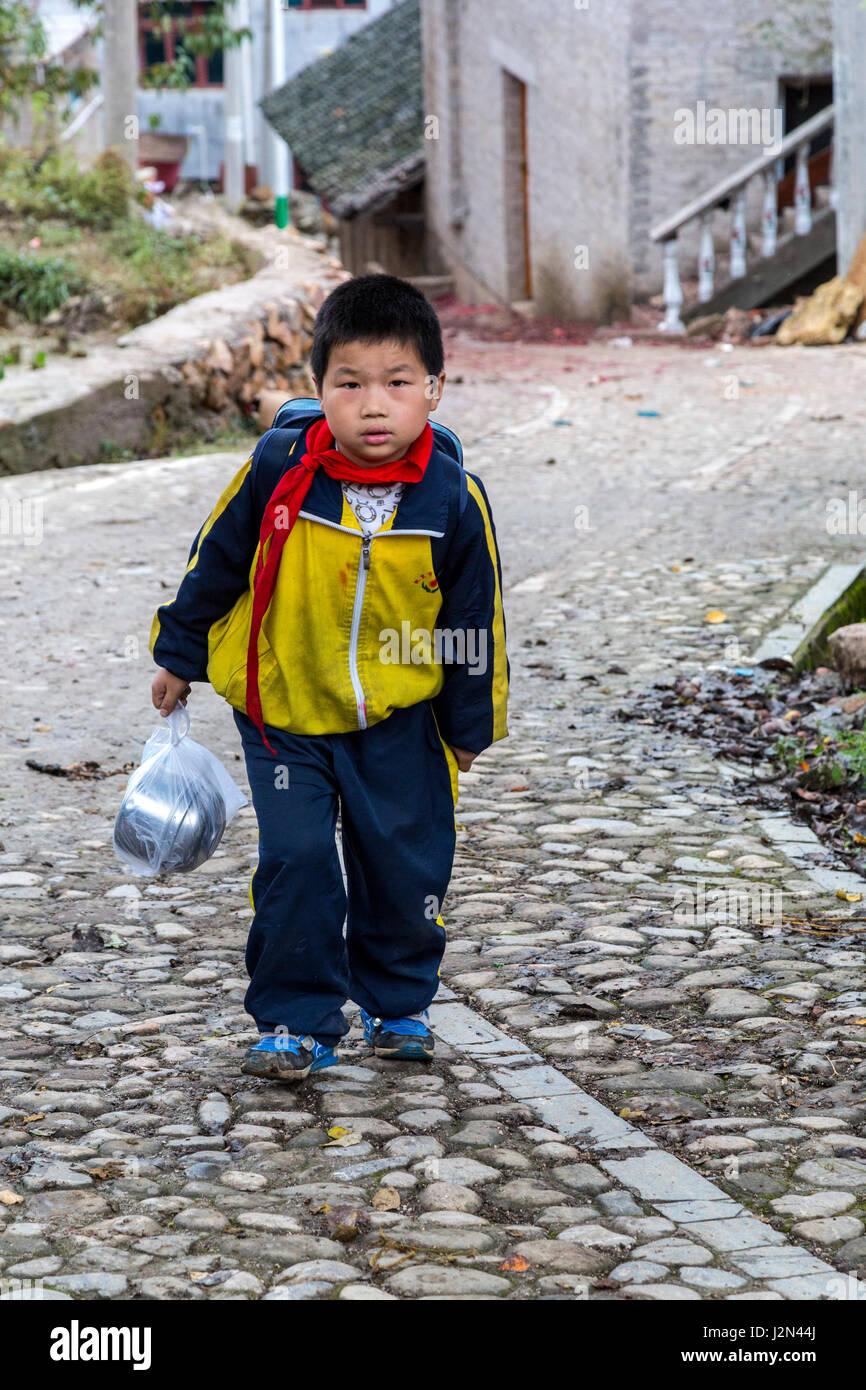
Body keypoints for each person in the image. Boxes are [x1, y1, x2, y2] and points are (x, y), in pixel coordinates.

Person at [148, 273, 509, 1081]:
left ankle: (398, 1002)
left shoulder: (453, 498)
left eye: (397, 383)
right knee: (299, 858)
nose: (373, 406)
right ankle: (295, 1019)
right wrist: (179, 654)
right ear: (318, 389)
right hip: (284, 708)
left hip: (399, 719)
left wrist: (467, 727)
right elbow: (217, 560)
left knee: (404, 862)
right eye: (350, 384)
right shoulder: (279, 468)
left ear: (434, 389)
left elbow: (472, 623)